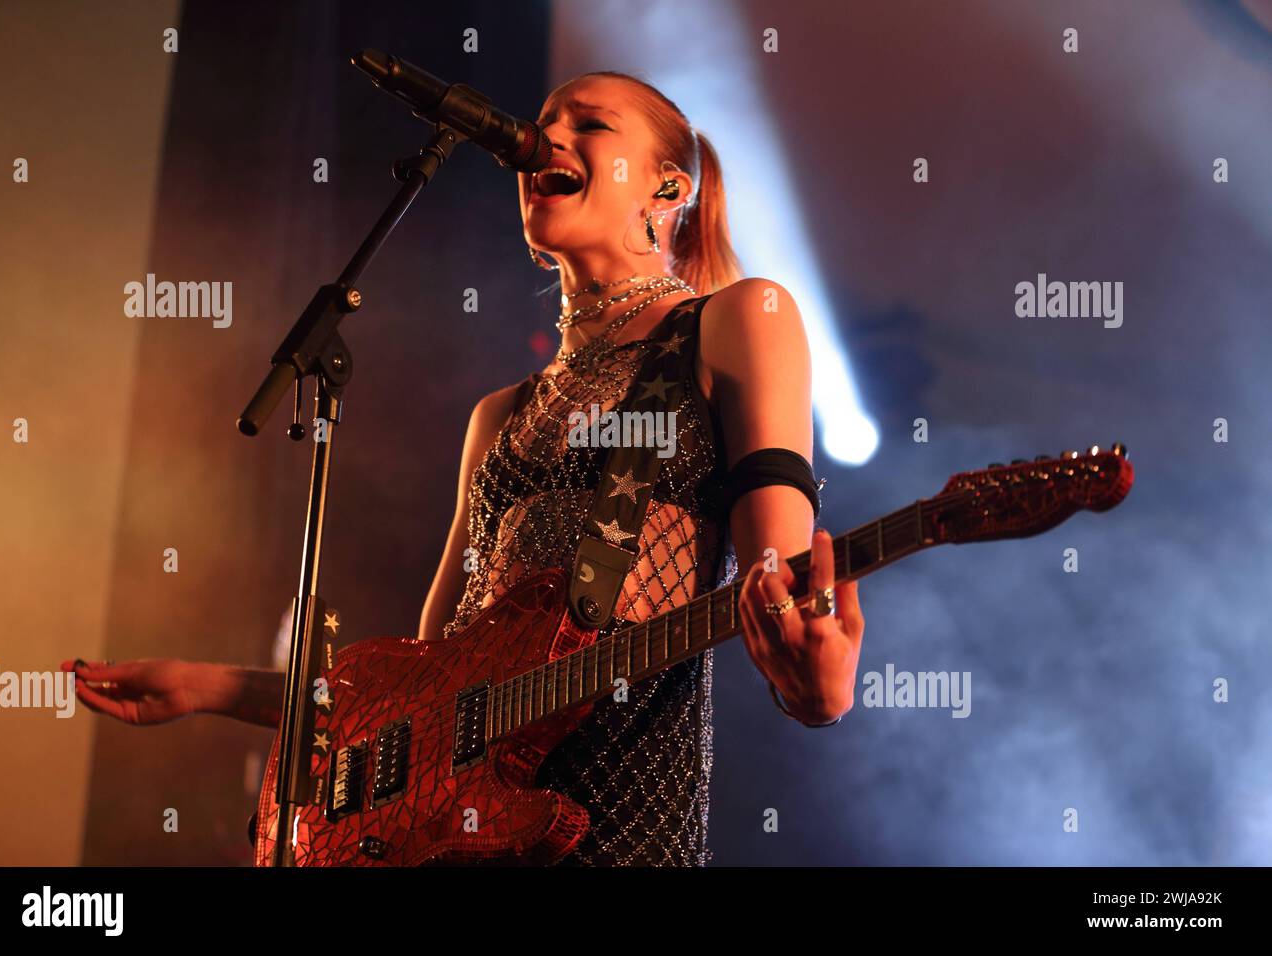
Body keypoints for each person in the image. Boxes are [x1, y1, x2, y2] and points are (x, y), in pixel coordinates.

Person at [65, 71, 866, 866]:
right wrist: (207, 688)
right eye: (544, 120)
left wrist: (817, 688)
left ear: (667, 186)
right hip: (459, 841)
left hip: (618, 825)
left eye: (589, 126)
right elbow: (418, 704)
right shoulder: (498, 417)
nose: (547, 136)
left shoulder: (737, 320)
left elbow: (784, 581)